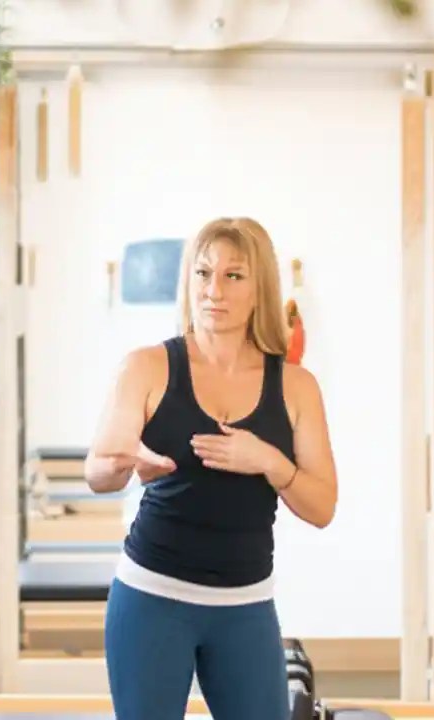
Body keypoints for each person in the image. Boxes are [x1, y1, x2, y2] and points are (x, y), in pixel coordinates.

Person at [84, 217, 339, 720]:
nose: (213, 290)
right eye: (203, 274)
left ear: (259, 287)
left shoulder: (295, 386)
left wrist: (268, 461)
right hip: (152, 597)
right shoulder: (146, 367)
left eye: (233, 276)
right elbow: (97, 471)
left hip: (245, 604)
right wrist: (126, 465)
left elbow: (323, 506)